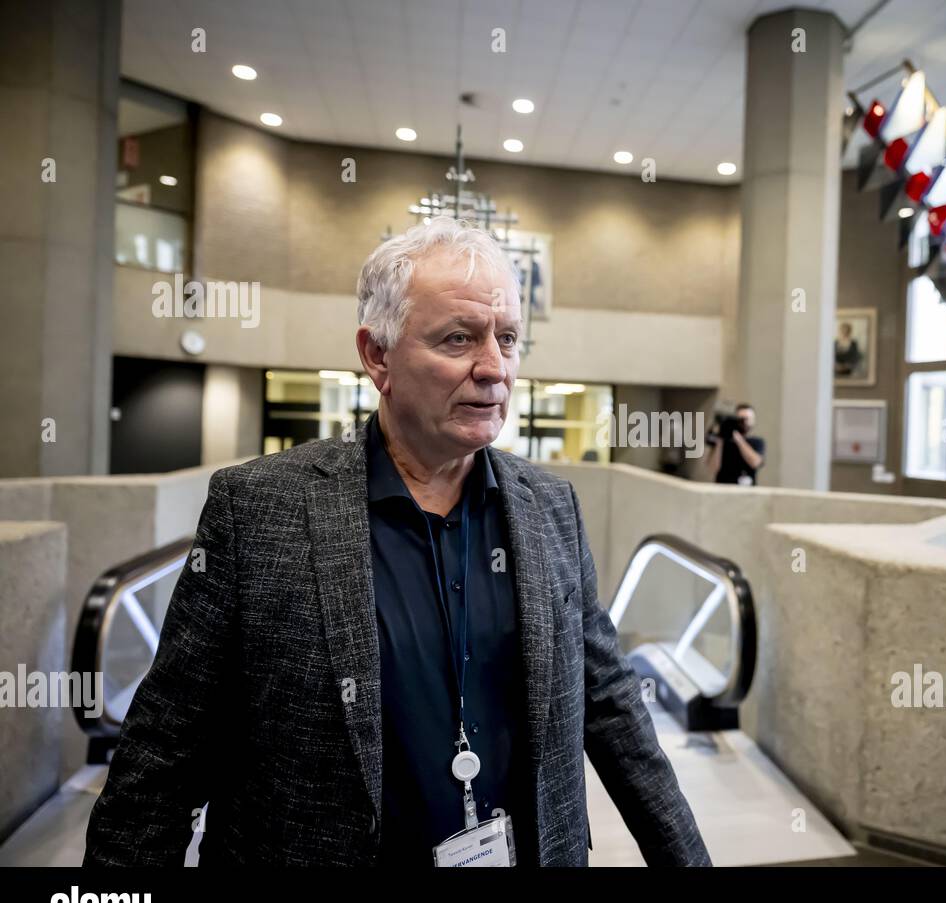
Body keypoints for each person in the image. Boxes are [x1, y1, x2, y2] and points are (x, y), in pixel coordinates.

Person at [84, 218, 710, 868]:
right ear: (377, 354)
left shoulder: (549, 507)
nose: (494, 369)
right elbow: (165, 751)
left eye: (509, 339)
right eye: (459, 339)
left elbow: (609, 703)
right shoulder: (260, 510)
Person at [707, 403, 766, 485]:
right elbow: (712, 468)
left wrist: (738, 439)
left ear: (753, 421)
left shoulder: (756, 442)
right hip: (723, 489)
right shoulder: (723, 442)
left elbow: (755, 463)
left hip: (746, 491)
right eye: (741, 420)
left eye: (747, 419)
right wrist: (721, 439)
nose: (744, 423)